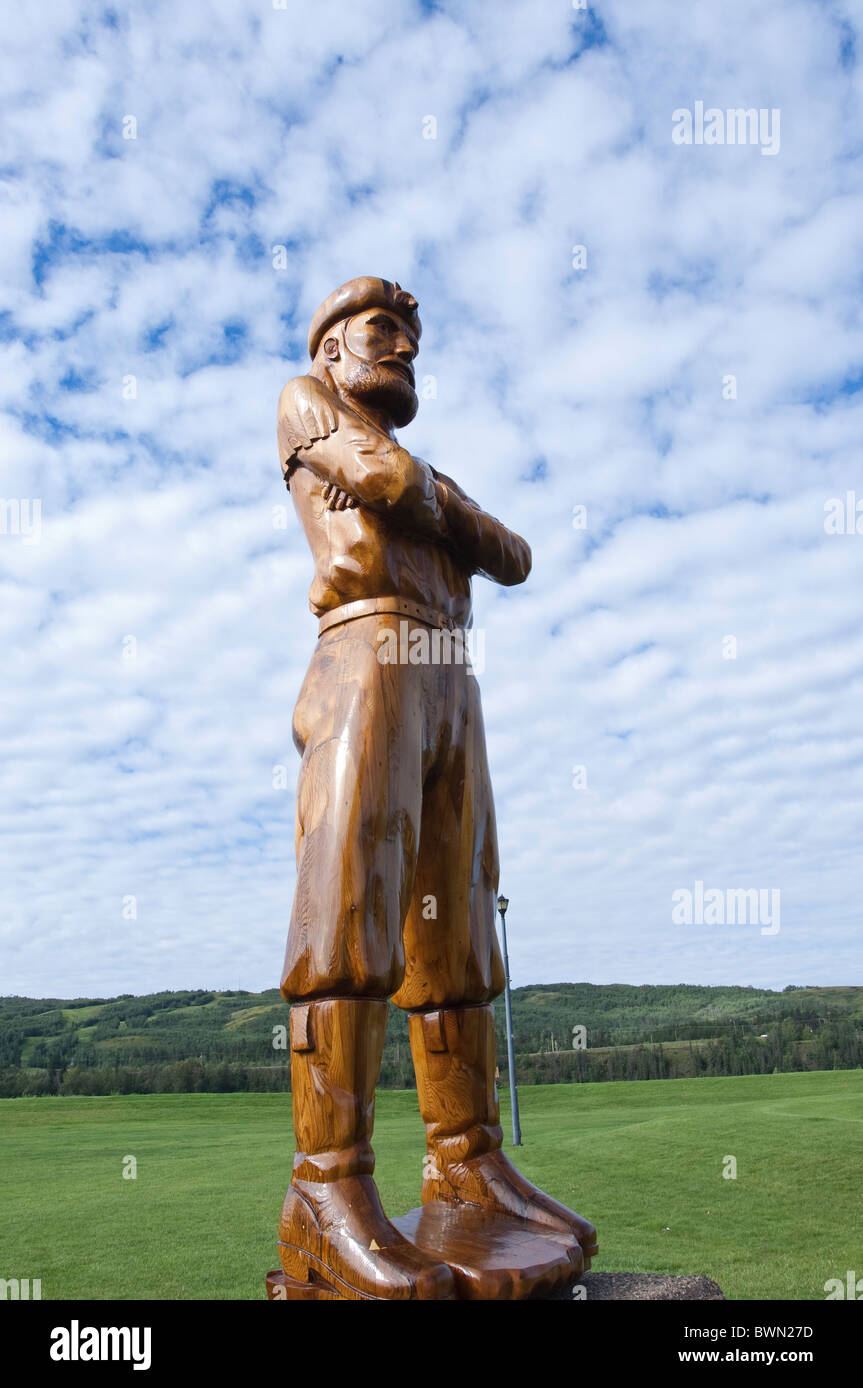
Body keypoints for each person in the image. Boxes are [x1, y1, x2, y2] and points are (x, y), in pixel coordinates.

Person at [275, 276, 597, 1299]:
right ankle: (325, 1186)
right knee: (349, 908)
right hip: (364, 650)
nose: (403, 349)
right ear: (331, 348)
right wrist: (440, 507)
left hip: (448, 675)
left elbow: (513, 554)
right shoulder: (303, 401)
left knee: (454, 928)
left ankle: (463, 1154)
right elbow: (385, 483)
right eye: (383, 331)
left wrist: (441, 505)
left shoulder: (428, 465)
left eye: (412, 337)